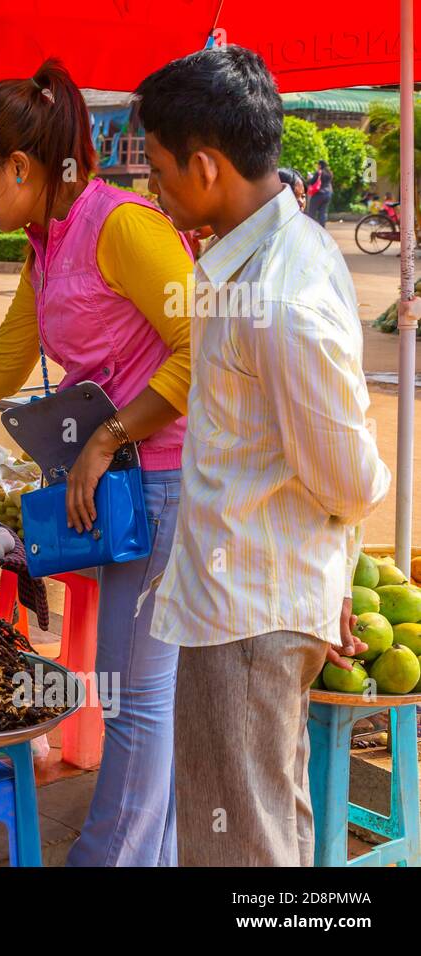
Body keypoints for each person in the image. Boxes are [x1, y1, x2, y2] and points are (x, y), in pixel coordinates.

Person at [0, 59, 195, 867]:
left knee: (135, 698)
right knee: (137, 693)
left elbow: (208, 346)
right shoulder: (46, 244)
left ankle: (107, 858)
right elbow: (3, 370)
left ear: (21, 167)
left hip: (168, 476)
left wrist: (107, 436)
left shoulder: (121, 226)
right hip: (126, 485)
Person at [135, 46, 389, 867]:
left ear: (207, 167)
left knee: (242, 843)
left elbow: (350, 478)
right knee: (264, 820)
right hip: (254, 593)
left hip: (250, 609)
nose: (155, 188)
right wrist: (328, 572)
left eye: (163, 169)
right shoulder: (266, 254)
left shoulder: (281, 299)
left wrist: (324, 571)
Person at [305, 158, 333, 226]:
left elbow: (312, 182)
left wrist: (308, 179)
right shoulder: (330, 173)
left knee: (311, 212)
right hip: (328, 194)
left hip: (319, 194)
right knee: (323, 212)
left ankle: (309, 227)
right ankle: (322, 228)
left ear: (320, 165)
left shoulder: (319, 172)